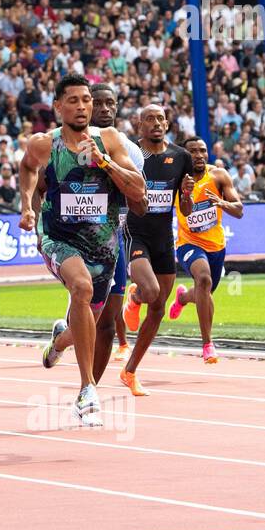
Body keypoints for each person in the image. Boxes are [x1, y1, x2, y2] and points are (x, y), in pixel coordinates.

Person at [19, 75, 145, 426]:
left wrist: (103, 162)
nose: (82, 106)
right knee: (82, 288)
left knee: (89, 316)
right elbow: (28, 167)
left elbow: (138, 189)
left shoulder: (111, 141)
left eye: (86, 100)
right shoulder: (46, 144)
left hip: (104, 245)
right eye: (72, 100)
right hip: (58, 237)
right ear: (58, 106)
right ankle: (87, 389)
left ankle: (59, 342)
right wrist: (26, 205)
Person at [121, 104, 193, 394]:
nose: (156, 123)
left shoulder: (181, 157)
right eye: (149, 119)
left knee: (159, 307)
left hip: (164, 236)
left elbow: (185, 209)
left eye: (160, 119)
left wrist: (186, 196)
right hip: (134, 232)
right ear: (140, 126)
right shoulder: (130, 154)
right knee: (150, 293)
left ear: (167, 123)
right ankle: (135, 297)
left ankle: (130, 371)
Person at [168, 136, 244, 363]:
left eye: (202, 151)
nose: (199, 155)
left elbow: (239, 210)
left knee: (204, 291)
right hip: (188, 243)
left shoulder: (219, 176)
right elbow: (186, 210)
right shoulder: (176, 180)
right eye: (193, 151)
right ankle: (207, 344)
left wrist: (223, 204)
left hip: (216, 246)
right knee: (203, 279)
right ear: (184, 155)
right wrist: (187, 193)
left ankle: (182, 298)